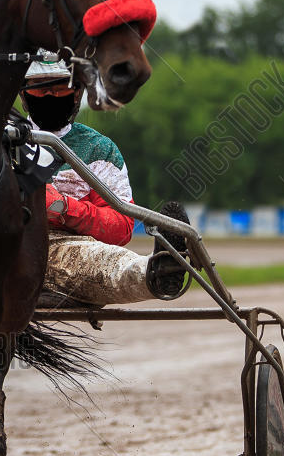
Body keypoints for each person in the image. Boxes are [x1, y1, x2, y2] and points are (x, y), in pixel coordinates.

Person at [22, 71, 189, 306]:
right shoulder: (1, 139)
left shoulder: (99, 149)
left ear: (76, 93)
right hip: (7, 244)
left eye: (59, 88)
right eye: (41, 88)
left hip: (68, 249)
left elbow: (121, 227)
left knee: (101, 262)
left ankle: (159, 272)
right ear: (23, 94)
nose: (50, 96)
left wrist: (63, 207)